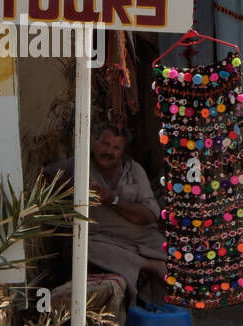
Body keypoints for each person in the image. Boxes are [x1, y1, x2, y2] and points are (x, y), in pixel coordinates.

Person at [46, 125, 166, 303]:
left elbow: (150, 215)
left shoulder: (134, 170)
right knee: (80, 247)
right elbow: (45, 177)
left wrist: (112, 200)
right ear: (94, 142)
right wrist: (68, 187)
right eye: (105, 144)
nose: (109, 151)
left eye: (116, 148)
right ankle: (147, 265)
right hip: (102, 240)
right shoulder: (77, 166)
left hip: (142, 239)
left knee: (176, 257)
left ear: (123, 151)